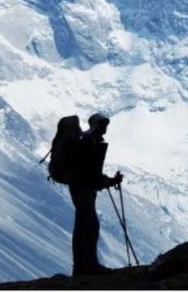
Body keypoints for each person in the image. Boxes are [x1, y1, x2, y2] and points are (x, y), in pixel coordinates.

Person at [68, 112, 123, 277]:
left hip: (81, 187)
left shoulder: (89, 140)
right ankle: (88, 266)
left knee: (84, 226)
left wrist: (107, 181)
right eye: (102, 124)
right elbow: (89, 173)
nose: (105, 127)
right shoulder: (89, 142)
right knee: (89, 225)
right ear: (95, 125)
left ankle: (82, 266)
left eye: (105, 124)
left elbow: (90, 172)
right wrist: (108, 182)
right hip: (83, 188)